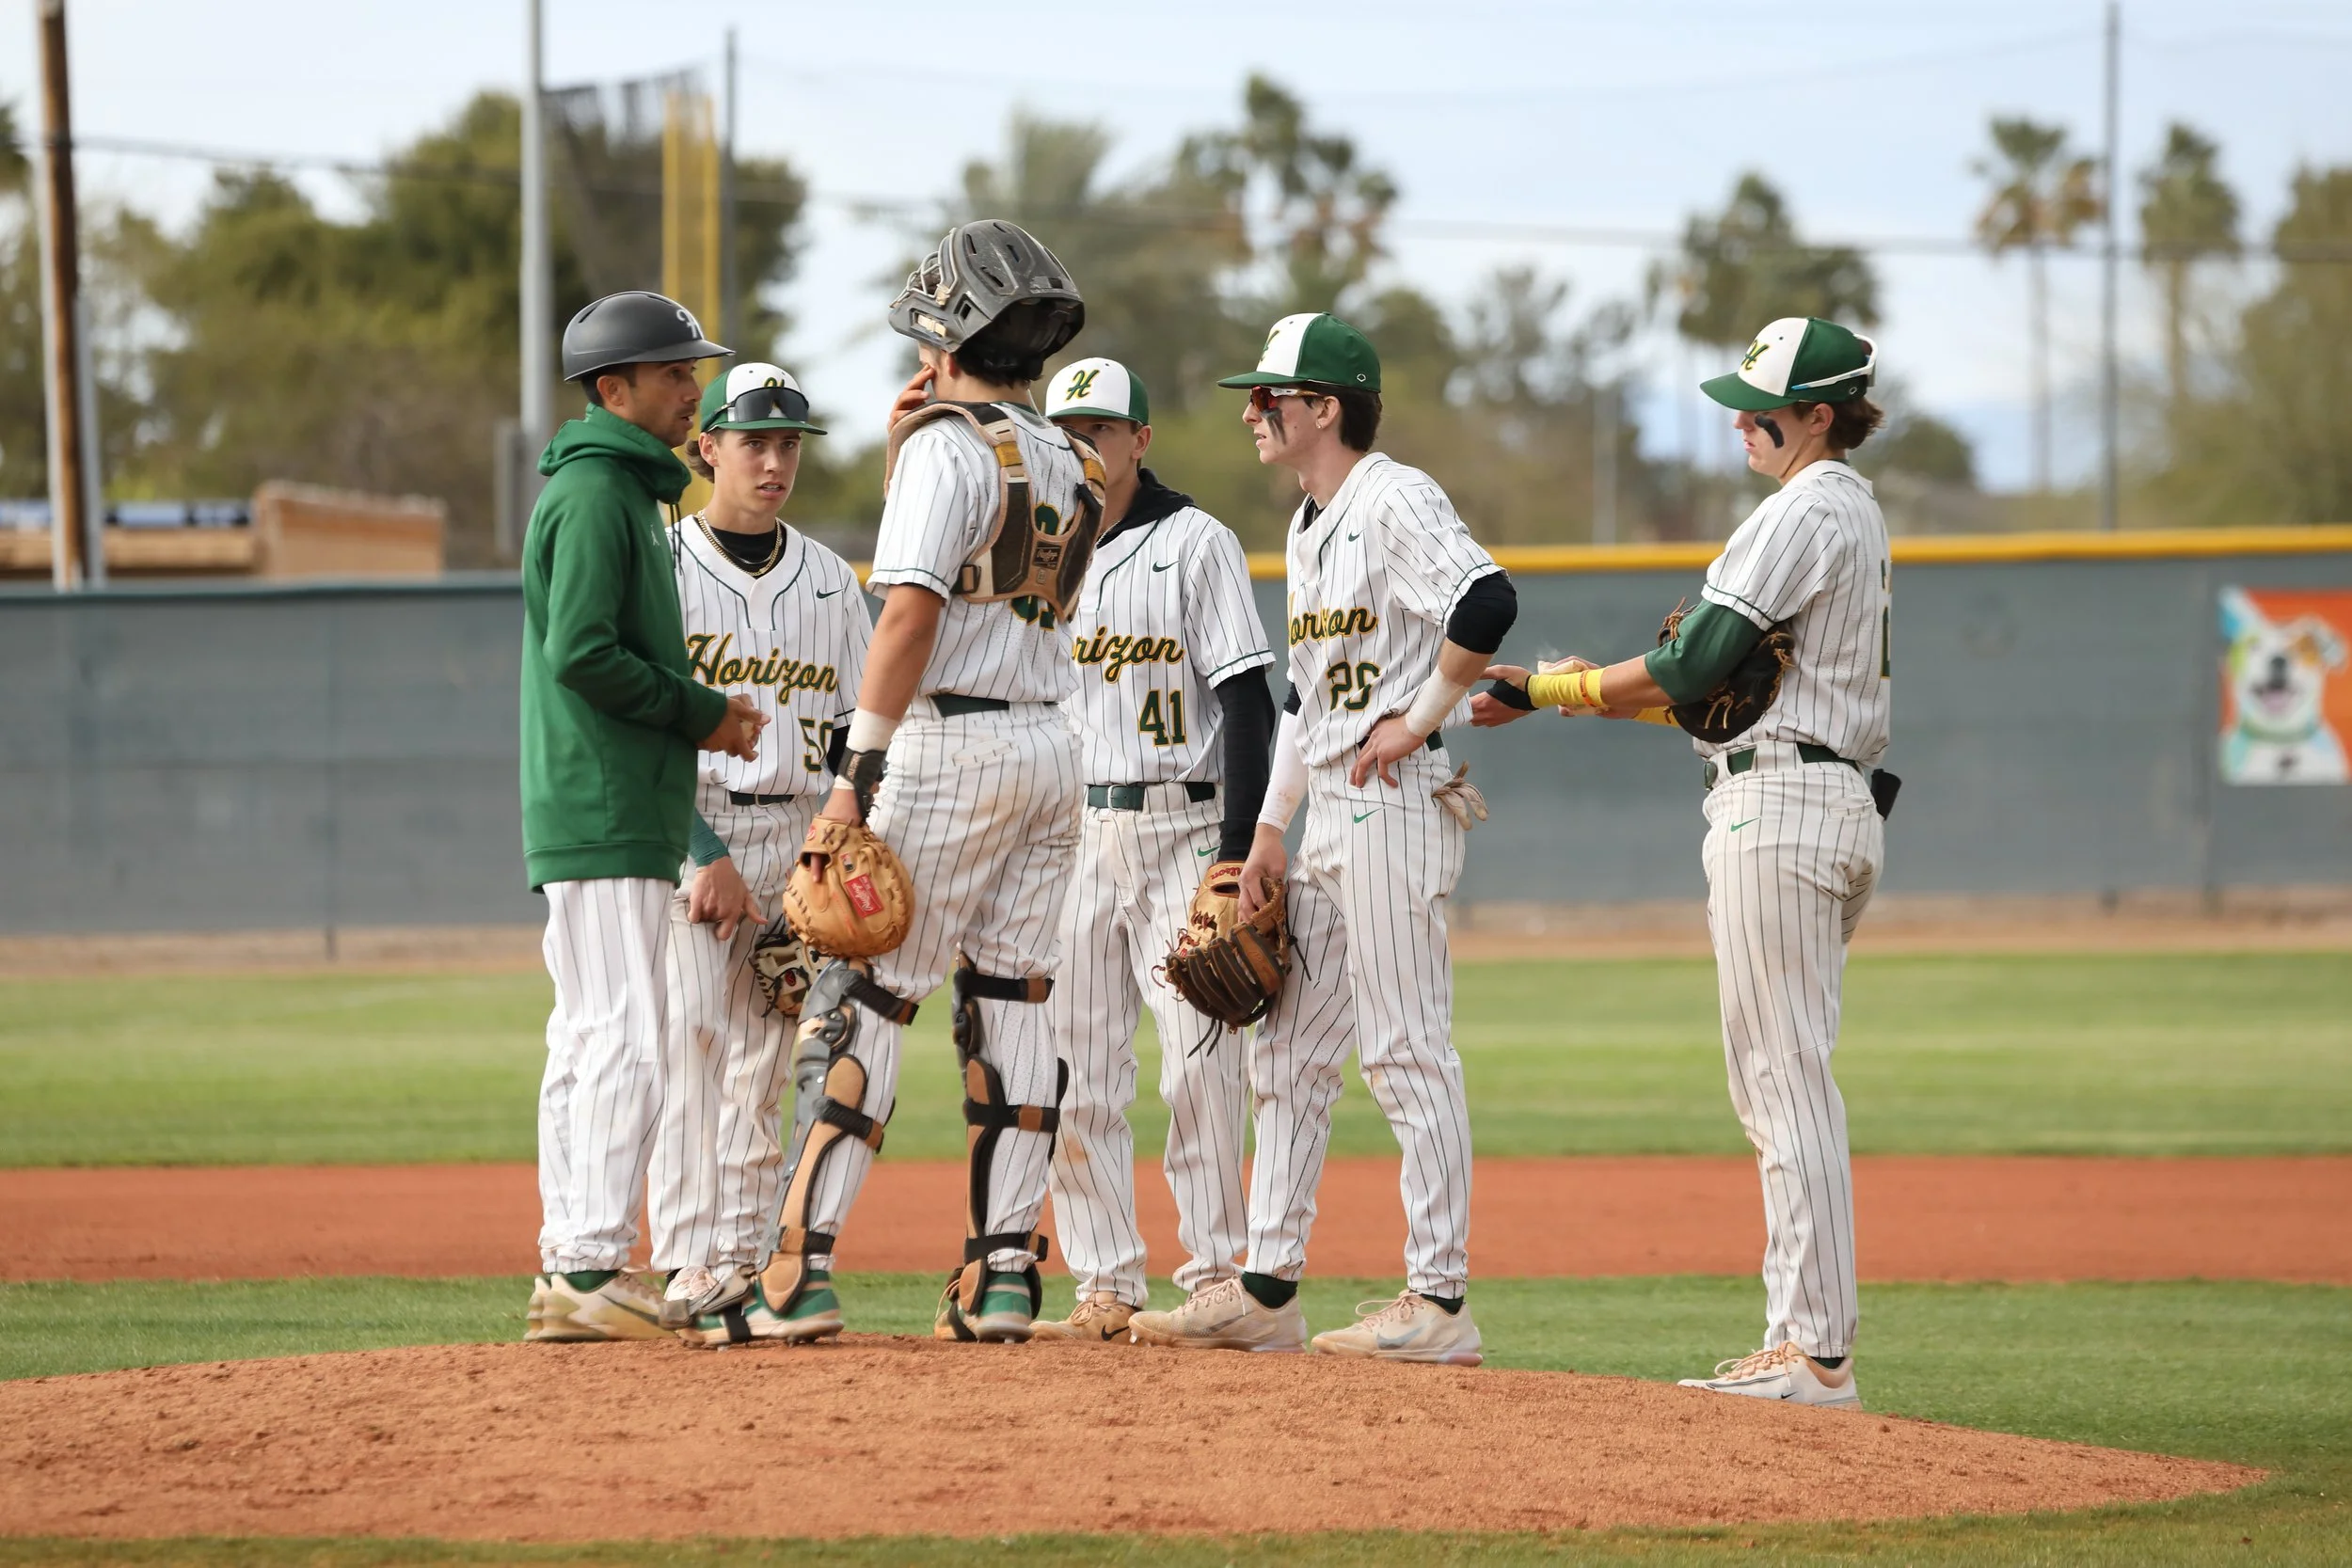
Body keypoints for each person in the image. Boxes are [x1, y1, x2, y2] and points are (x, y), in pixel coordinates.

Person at [1471, 315, 1891, 1409]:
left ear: (1820, 414)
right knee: (1786, 1070)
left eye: (1763, 409)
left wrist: (1553, 690)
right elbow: (1725, 704)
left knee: (1780, 1076)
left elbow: (1700, 658)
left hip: (1784, 808)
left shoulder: (1807, 505)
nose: (1741, 425)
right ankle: (1804, 1341)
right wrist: (1570, 692)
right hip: (1812, 787)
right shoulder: (1842, 512)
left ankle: (1813, 1351)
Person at [714, 220, 1104, 1345]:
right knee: (1014, 1001)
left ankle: (798, 1274)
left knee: (865, 997)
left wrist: (852, 776)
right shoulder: (1070, 457)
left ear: (947, 331)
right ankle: (1003, 1279)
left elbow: (912, 613)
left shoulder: (946, 446)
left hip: (946, 749)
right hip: (1049, 747)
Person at [1128, 313, 1514, 1363]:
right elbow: (1302, 693)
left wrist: (1421, 714)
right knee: (1287, 1052)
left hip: (1393, 801)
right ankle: (1266, 1286)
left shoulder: (1392, 495)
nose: (1254, 411)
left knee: (1404, 1048)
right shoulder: (1307, 521)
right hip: (1330, 804)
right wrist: (1266, 831)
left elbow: (1485, 600)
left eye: (1270, 397)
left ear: (1324, 408)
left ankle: (1439, 1299)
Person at [519, 291, 766, 1341]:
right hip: (610, 797)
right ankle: (585, 1266)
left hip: (597, 798)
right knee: (624, 1032)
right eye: (672, 373)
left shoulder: (614, 492)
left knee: (588, 1031)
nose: (691, 387)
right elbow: (580, 650)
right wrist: (705, 713)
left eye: (692, 370)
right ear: (610, 388)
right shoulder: (598, 499)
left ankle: (571, 1261)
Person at [1029, 356, 1277, 1343]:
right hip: (1071, 833)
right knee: (1072, 1067)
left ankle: (1217, 1272)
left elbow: (1250, 701)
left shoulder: (1195, 541)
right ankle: (1103, 1282)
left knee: (1197, 1062)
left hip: (1182, 821)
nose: (1084, 447)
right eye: (1067, 432)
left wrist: (1233, 854)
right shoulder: (1033, 555)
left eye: (1101, 429)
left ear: (1140, 439)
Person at [643, 364, 872, 1341]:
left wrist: (840, 845)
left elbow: (868, 726)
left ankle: (741, 1263)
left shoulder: (829, 578)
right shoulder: (662, 566)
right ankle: (688, 1262)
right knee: (691, 1051)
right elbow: (642, 729)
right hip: (696, 826)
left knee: (767, 1060)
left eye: (788, 444)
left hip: (802, 840)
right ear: (708, 449)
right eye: (754, 442)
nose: (775, 461)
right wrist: (699, 853)